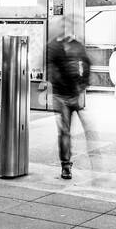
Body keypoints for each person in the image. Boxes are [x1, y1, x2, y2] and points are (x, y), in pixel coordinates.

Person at [45, 14, 91, 180]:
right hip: (60, 95)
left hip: (73, 92)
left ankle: (69, 163)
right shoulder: (53, 46)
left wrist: (82, 86)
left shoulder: (77, 45)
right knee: (64, 132)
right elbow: (51, 69)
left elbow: (86, 65)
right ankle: (66, 165)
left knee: (72, 131)